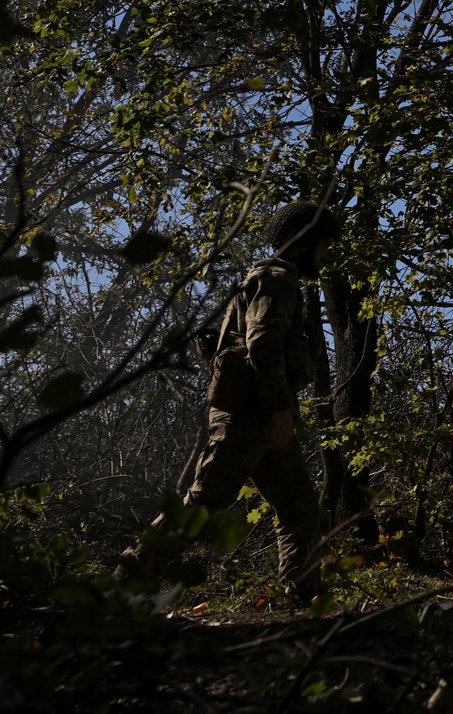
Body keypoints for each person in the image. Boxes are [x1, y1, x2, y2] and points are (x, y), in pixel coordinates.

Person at [143, 199, 338, 599]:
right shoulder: (277, 280)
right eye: (323, 245)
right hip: (251, 417)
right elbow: (262, 345)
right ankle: (125, 582)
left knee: (298, 505)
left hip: (262, 417)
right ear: (304, 243)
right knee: (202, 507)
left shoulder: (276, 280)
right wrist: (280, 410)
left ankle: (303, 598)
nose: (326, 254)